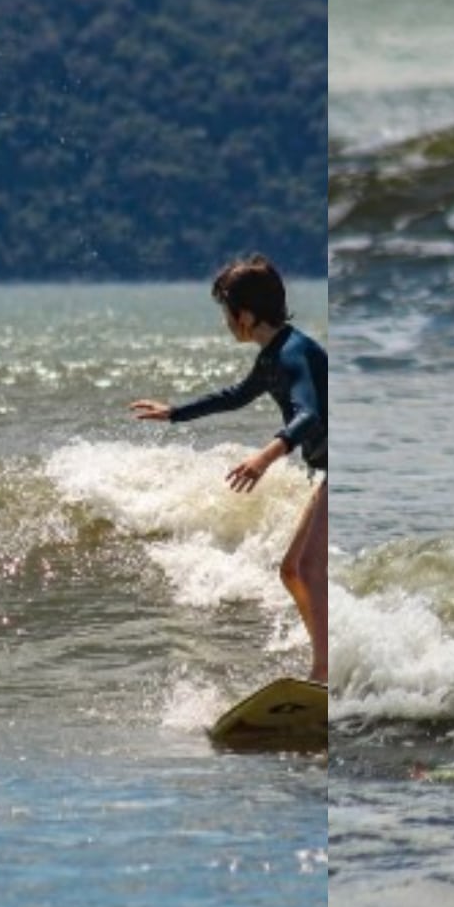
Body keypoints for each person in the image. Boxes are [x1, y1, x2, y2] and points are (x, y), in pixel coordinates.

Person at [131, 255, 328, 682]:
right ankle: (323, 666)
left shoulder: (293, 354)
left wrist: (264, 457)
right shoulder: (274, 353)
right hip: (327, 471)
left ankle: (323, 673)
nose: (225, 323)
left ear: (245, 316)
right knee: (293, 570)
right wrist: (175, 413)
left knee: (307, 569)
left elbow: (308, 415)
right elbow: (236, 396)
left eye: (226, 313)